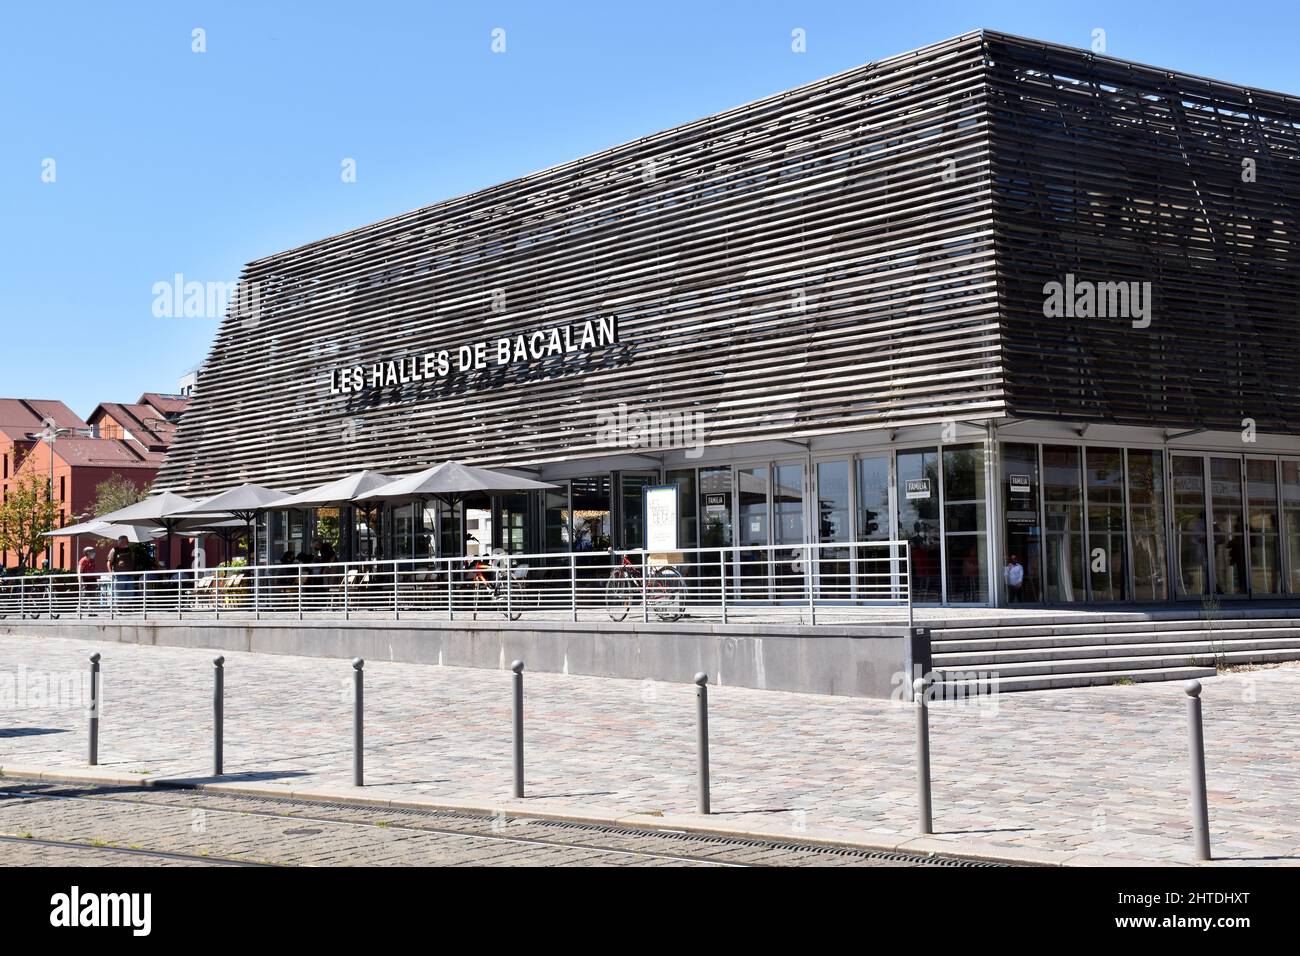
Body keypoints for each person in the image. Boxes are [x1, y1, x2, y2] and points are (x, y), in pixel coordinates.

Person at [107, 535, 137, 608]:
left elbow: (133, 561)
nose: (127, 542)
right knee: (118, 593)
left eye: (127, 541)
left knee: (130, 593)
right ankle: (117, 608)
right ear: (120, 541)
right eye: (126, 541)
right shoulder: (114, 550)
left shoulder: (130, 550)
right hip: (119, 575)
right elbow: (109, 562)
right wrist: (110, 573)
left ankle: (126, 608)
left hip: (129, 575)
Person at [77, 547, 98, 611]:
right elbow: (79, 571)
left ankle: (91, 610)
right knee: (85, 595)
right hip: (85, 580)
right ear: (87, 553)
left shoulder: (92, 560)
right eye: (92, 552)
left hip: (92, 579)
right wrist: (80, 582)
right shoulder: (83, 560)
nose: (94, 553)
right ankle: (79, 609)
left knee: (92, 596)